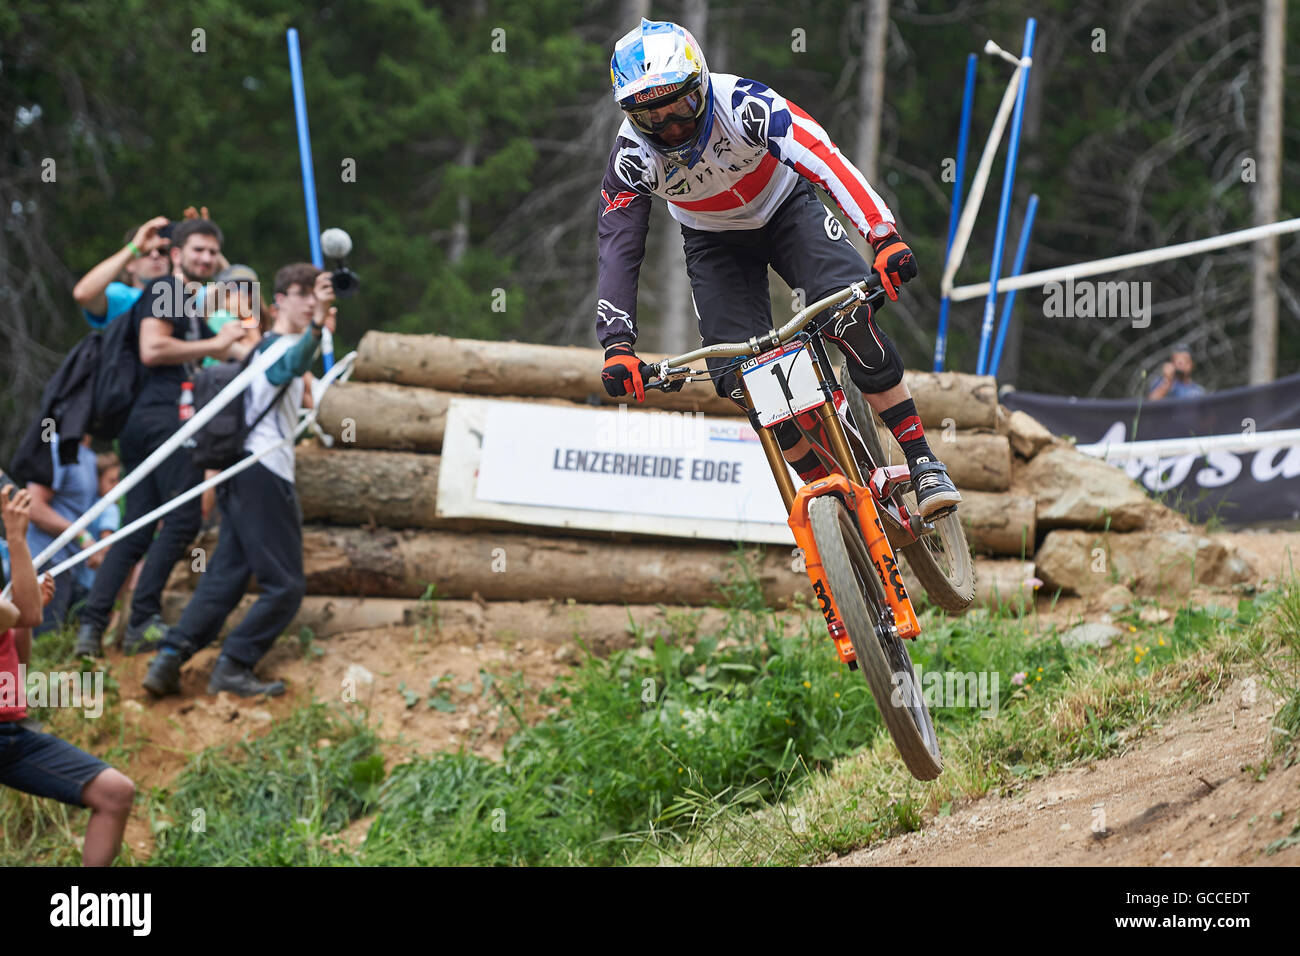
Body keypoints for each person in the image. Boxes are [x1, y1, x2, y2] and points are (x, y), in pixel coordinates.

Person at [596, 19, 960, 517]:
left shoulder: (745, 104)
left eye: (679, 108)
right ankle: (843, 504)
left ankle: (922, 460)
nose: (672, 129)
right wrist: (618, 345)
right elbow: (619, 247)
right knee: (743, 381)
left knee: (849, 314)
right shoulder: (631, 159)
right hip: (713, 241)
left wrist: (883, 235)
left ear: (700, 84)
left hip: (787, 209)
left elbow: (824, 159)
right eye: (652, 119)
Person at [143, 264, 336, 699]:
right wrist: (319, 325)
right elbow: (291, 363)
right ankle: (234, 664)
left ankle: (169, 657)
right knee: (286, 587)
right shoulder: (273, 350)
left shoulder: (277, 346)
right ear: (278, 301)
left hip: (246, 473)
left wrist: (319, 332)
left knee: (225, 576)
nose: (309, 301)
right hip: (264, 474)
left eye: (315, 294)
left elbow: (309, 384)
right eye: (300, 293)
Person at [73, 218, 247, 659]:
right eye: (198, 251)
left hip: (146, 424)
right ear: (176, 254)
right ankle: (141, 619)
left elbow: (234, 345)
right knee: (186, 519)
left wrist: (277, 349)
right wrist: (214, 347)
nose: (206, 259)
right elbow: (154, 349)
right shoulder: (166, 291)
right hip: (162, 420)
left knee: (138, 526)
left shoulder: (190, 302)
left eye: (212, 252)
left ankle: (92, 628)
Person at [0, 485, 136, 866]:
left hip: (10, 734)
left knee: (114, 792)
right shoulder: (10, 545)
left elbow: (17, 667)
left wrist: (23, 619)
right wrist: (16, 538)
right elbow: (24, 613)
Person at [25, 436, 105, 636]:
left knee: (57, 643)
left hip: (70, 567)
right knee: (43, 644)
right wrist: (80, 534)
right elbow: (33, 507)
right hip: (45, 560)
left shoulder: (89, 455)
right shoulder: (56, 446)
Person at [71, 217, 174, 328]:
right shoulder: (120, 296)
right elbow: (82, 293)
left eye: (162, 251)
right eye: (145, 253)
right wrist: (135, 247)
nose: (155, 256)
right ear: (129, 264)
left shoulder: (185, 296)